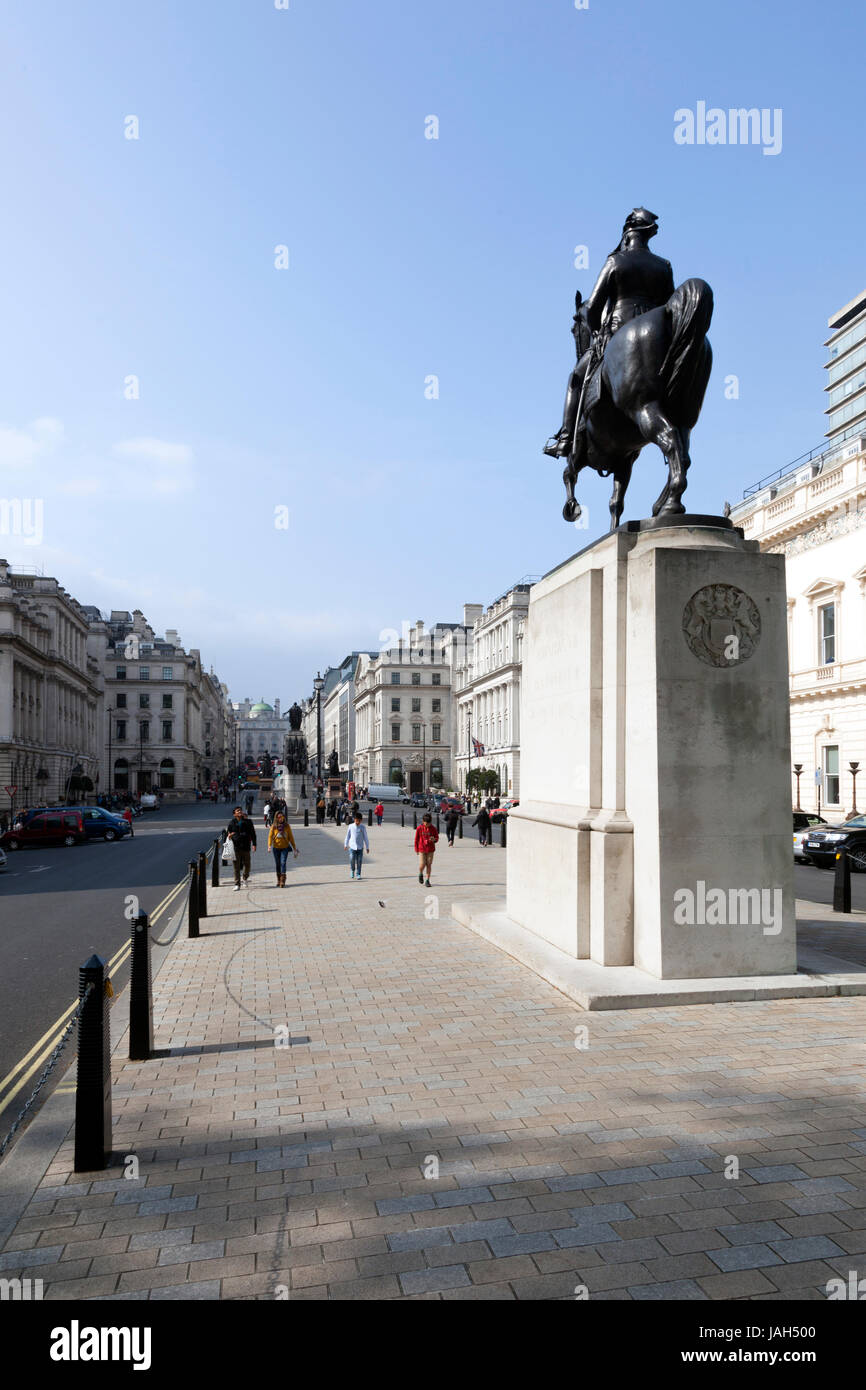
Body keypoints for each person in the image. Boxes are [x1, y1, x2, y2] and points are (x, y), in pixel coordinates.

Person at [227, 805, 257, 889]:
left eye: (240, 810)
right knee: (236, 867)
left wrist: (254, 844)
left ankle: (245, 878)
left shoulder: (248, 822)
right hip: (235, 847)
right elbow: (228, 833)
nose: (239, 812)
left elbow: (253, 834)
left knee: (247, 865)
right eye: (237, 811)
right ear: (234, 814)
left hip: (246, 846)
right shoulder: (231, 823)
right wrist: (230, 836)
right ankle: (237, 884)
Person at [268, 811, 298, 887]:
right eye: (279, 817)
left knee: (283, 863)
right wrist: (269, 846)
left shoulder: (287, 826)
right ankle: (278, 879)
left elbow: (291, 837)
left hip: (285, 848)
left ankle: (282, 881)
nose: (281, 818)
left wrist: (294, 847)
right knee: (278, 864)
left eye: (282, 816)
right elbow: (270, 836)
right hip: (276, 848)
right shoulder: (274, 826)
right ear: (276, 818)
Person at [414, 811, 439, 886]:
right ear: (423, 821)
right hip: (421, 848)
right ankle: (421, 873)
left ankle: (427, 880)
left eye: (428, 823)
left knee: (429, 864)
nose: (427, 825)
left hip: (430, 849)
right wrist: (416, 849)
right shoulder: (419, 828)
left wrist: (434, 839)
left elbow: (437, 838)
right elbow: (416, 839)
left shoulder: (433, 828)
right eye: (425, 823)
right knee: (422, 864)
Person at [344, 812, 370, 879]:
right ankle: (352, 870)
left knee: (359, 861)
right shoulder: (351, 826)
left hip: (360, 847)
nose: (357, 822)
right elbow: (347, 836)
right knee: (352, 858)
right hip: (352, 847)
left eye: (359, 821)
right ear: (354, 819)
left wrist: (367, 847)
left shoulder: (363, 827)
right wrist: (345, 844)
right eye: (356, 820)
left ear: (361, 820)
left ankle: (358, 873)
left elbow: (365, 837)